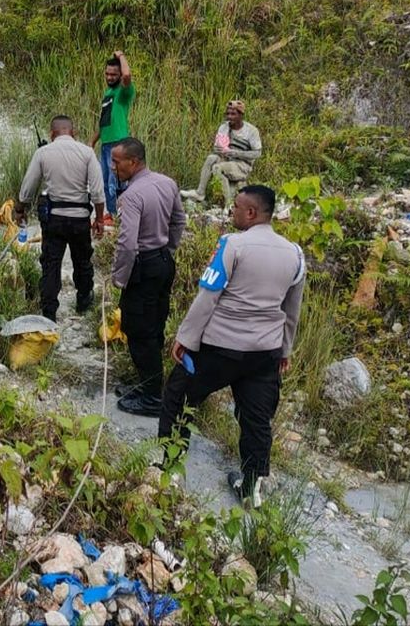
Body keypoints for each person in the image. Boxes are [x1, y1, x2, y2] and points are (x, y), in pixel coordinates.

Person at [159, 185, 305, 507]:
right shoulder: (295, 254)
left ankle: (169, 471)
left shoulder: (232, 245)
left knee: (178, 395)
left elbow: (208, 296)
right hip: (264, 353)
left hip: (220, 347)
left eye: (236, 207)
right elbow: (291, 309)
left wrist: (185, 338)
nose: (232, 211)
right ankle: (251, 486)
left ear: (251, 213)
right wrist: (285, 350)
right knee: (256, 418)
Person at [110, 138, 186, 417]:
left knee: (139, 329)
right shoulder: (167, 183)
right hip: (164, 262)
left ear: (134, 161)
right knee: (154, 324)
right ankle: (148, 384)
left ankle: (153, 398)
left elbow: (128, 243)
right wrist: (167, 249)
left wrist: (119, 277)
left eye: (117, 162)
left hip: (144, 266)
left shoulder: (132, 196)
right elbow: (179, 221)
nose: (113, 167)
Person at [15, 115, 106, 322]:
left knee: (51, 264)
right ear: (73, 133)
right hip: (80, 219)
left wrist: (20, 209)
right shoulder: (87, 153)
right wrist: (99, 219)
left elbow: (28, 187)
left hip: (53, 219)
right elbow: (98, 192)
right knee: (83, 261)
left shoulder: (43, 153)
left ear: (52, 133)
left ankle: (48, 312)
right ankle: (84, 300)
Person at [181, 101, 263, 207]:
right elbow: (216, 148)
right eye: (228, 114)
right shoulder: (224, 127)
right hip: (227, 159)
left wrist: (235, 153)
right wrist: (219, 148)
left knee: (217, 168)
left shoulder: (251, 130)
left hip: (242, 165)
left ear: (241, 115)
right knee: (211, 158)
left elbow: (257, 153)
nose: (229, 117)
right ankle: (200, 193)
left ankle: (228, 204)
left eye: (233, 114)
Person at [89, 51, 137, 225]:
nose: (109, 77)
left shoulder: (123, 92)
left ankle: (122, 216)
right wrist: (92, 142)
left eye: (113, 74)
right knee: (104, 182)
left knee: (116, 182)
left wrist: (122, 56)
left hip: (119, 144)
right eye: (107, 74)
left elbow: (127, 75)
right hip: (106, 144)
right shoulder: (108, 93)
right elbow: (104, 122)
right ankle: (111, 214)